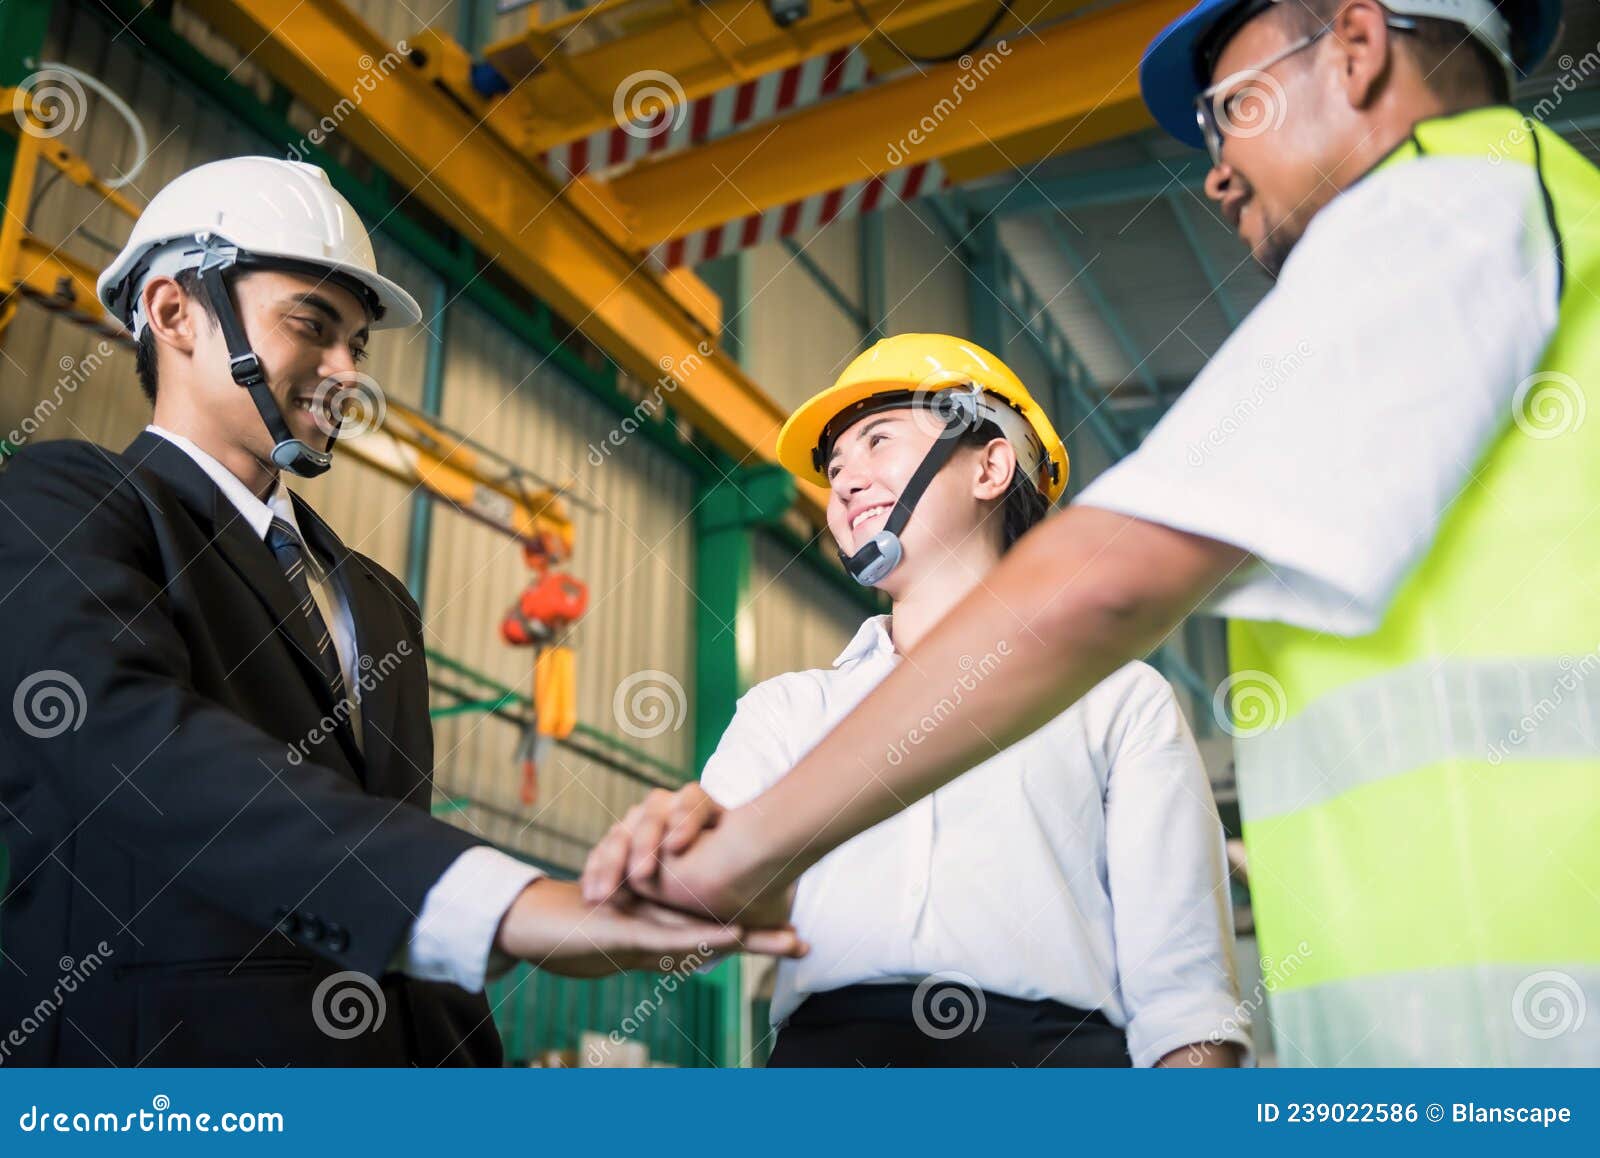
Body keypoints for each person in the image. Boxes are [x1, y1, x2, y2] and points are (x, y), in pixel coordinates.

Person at [584, 0, 1599, 1066]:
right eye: (834, 462)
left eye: (1227, 111)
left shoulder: (1448, 207)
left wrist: (741, 843)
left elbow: (1103, 584)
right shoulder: (1502, 223)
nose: (1213, 172)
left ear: (1353, 46)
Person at [0, 156, 799, 1067]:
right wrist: (510, 903)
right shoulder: (66, 502)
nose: (347, 371)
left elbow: (377, 854)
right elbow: (126, 748)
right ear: (174, 312)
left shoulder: (376, 600)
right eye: (312, 325)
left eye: (358, 346)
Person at [585, 334, 1248, 1067]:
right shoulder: (786, 710)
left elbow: (1184, 993)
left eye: (877, 441)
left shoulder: (1117, 698)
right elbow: (695, 923)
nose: (845, 482)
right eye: (834, 467)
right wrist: (660, 860)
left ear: (991, 465)